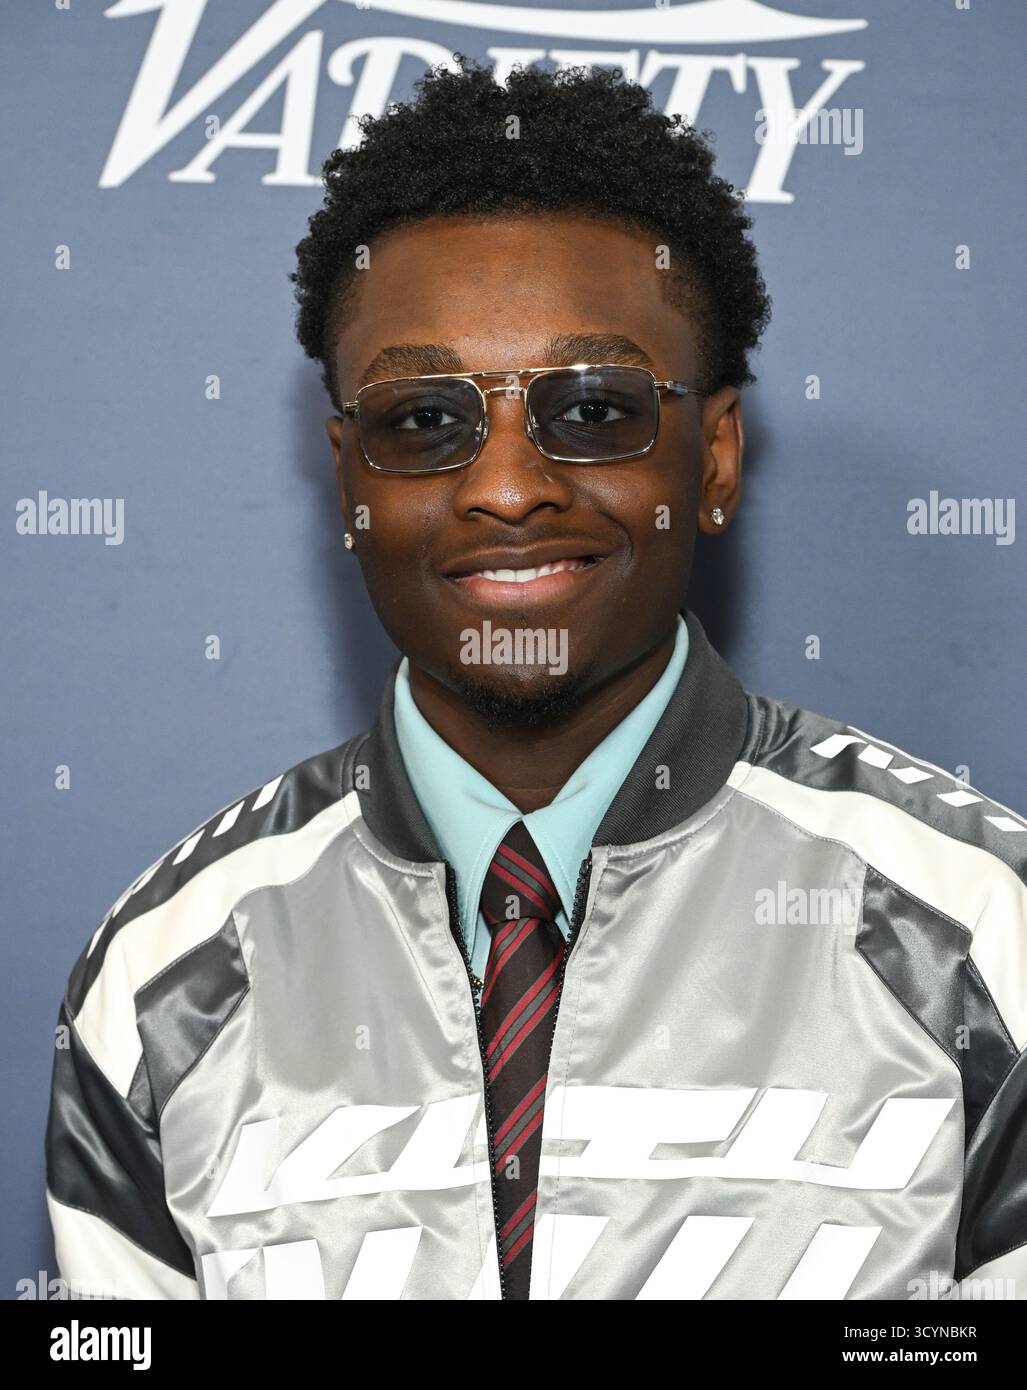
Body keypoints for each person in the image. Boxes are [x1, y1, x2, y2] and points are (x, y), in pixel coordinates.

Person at [45, 58, 1025, 1302]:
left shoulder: (986, 935)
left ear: (713, 456)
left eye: (595, 408)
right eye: (423, 420)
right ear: (345, 472)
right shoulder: (163, 976)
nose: (507, 486)